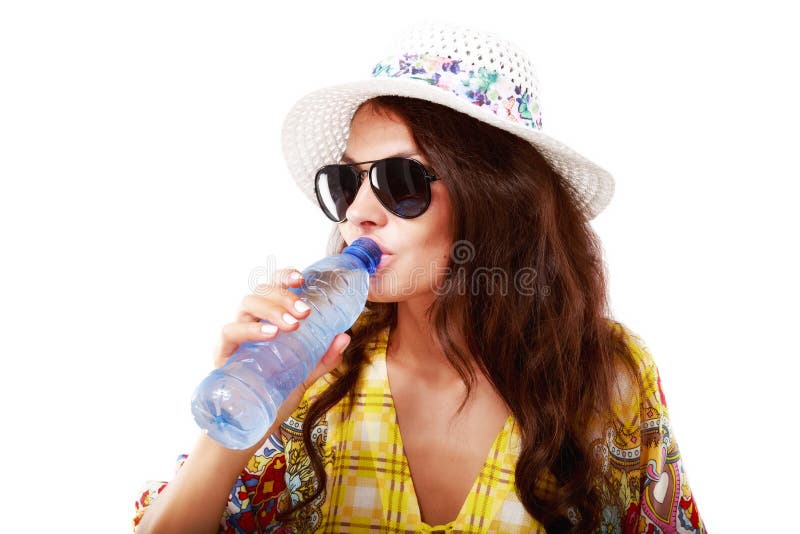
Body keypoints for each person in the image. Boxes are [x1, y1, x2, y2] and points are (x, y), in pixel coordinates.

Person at [133, 23, 707, 533]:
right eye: (345, 182)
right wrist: (235, 428)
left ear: (495, 200)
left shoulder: (605, 376)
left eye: (399, 180)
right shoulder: (315, 372)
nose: (359, 211)